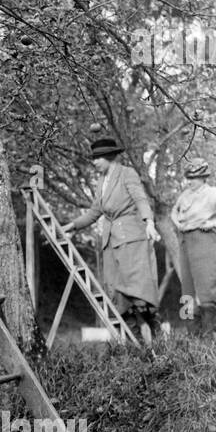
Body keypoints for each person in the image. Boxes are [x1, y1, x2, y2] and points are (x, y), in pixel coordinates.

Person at [62, 136, 162, 345]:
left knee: (138, 294)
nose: (94, 162)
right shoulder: (101, 182)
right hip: (111, 244)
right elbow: (94, 211)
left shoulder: (127, 173)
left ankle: (158, 342)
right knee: (118, 299)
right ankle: (136, 349)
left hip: (131, 239)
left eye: (97, 158)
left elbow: (140, 199)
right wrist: (72, 226)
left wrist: (149, 222)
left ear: (108, 157)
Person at [170, 159, 216, 338]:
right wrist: (177, 223)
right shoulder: (185, 195)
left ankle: (210, 338)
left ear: (203, 177)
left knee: (206, 289)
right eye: (188, 177)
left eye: (194, 177)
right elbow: (174, 211)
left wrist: (215, 223)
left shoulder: (213, 193)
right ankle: (192, 337)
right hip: (185, 242)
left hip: (204, 241)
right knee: (187, 290)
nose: (190, 181)